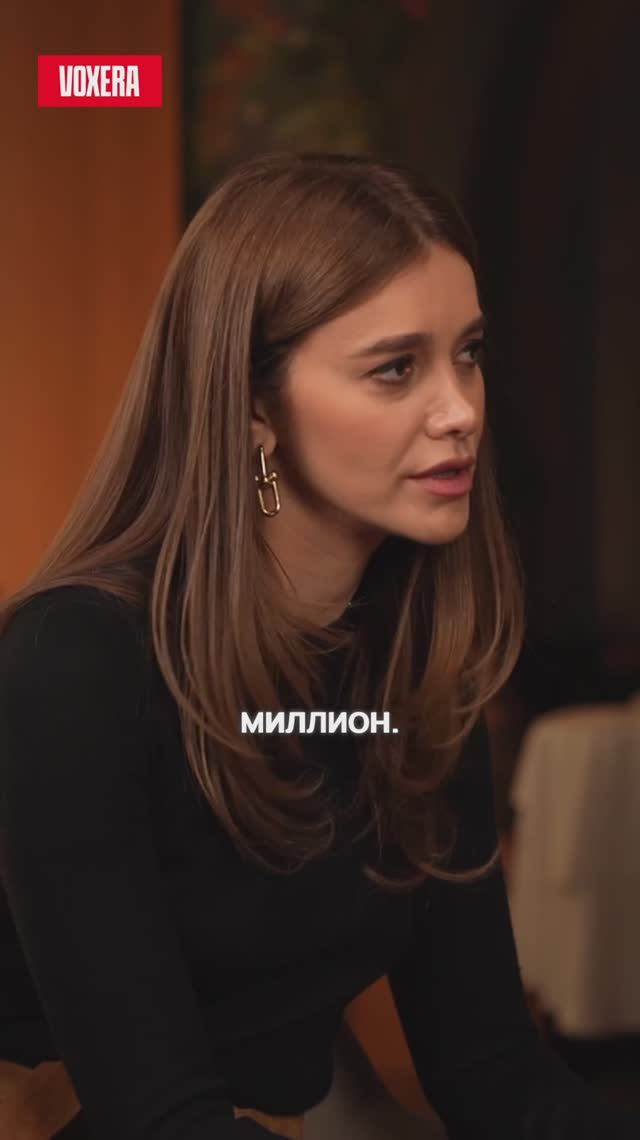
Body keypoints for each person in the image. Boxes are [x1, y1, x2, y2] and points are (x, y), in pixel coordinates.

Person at [0, 151, 637, 1140]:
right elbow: (155, 1116)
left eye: (468, 352)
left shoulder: (419, 680)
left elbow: (493, 1073)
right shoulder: (72, 663)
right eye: (396, 368)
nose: (460, 410)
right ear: (254, 405)